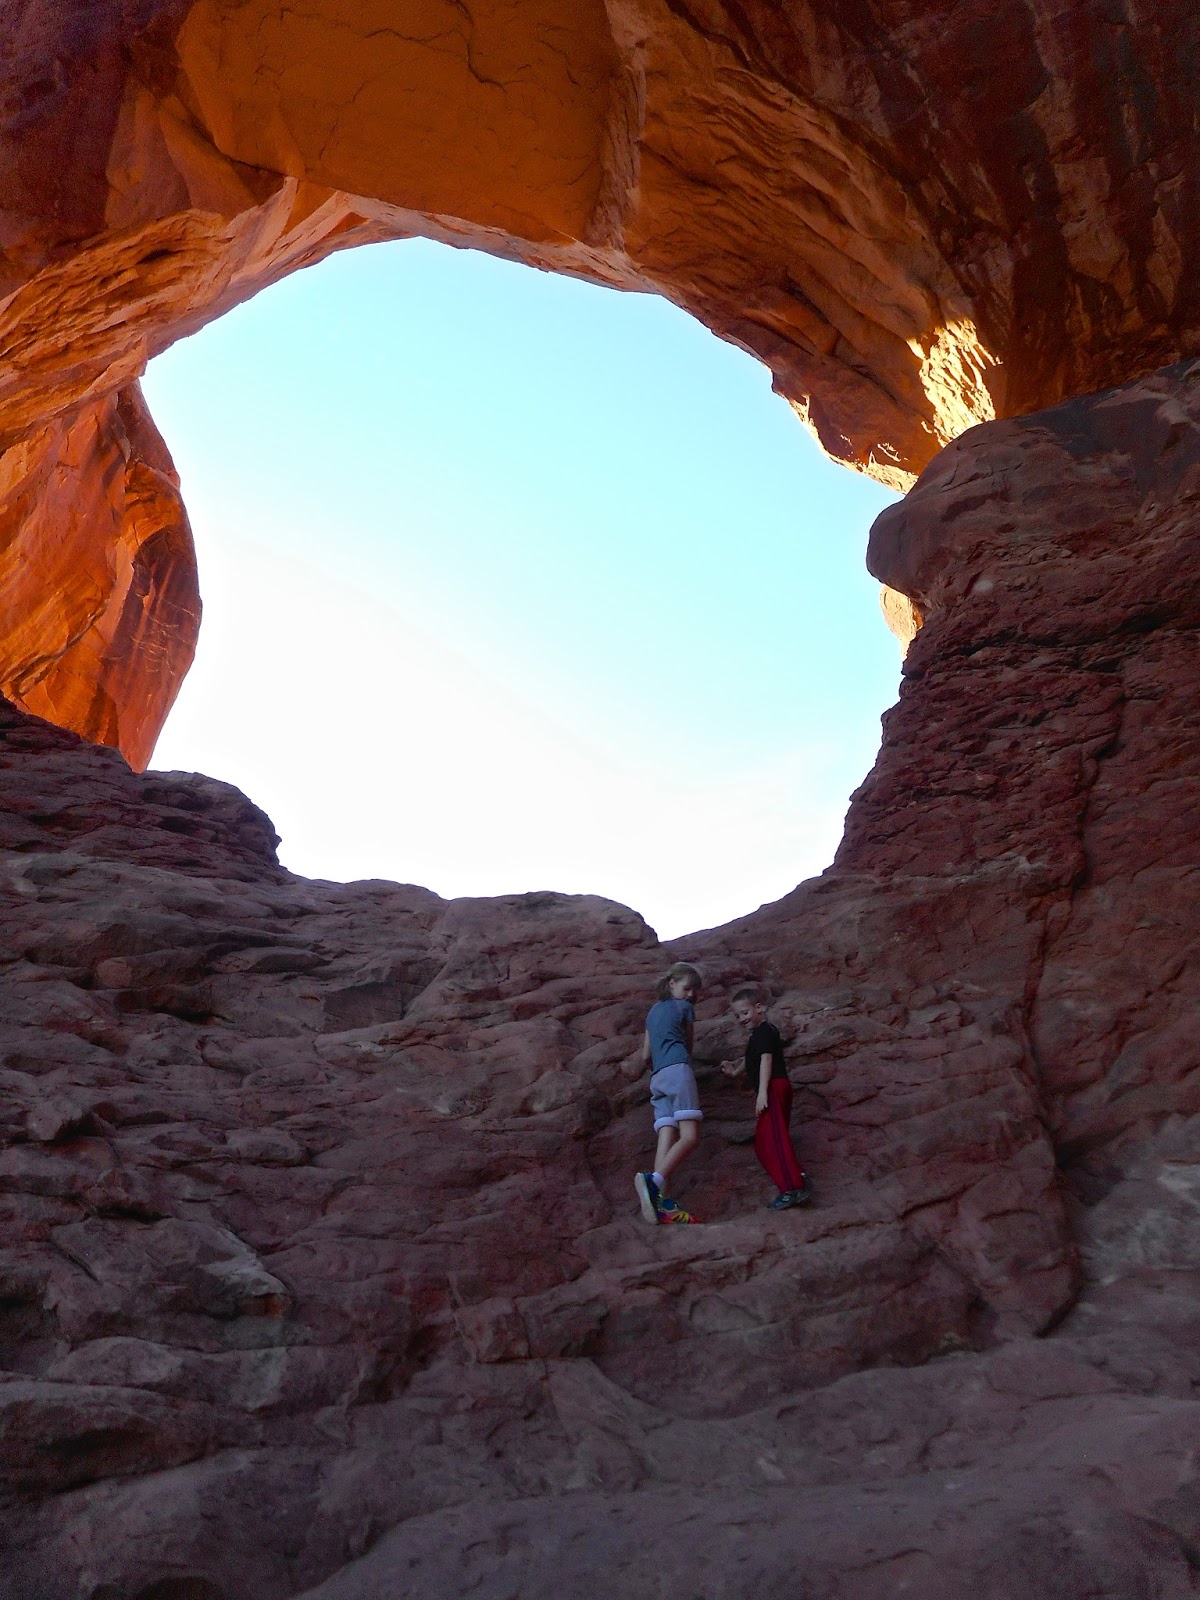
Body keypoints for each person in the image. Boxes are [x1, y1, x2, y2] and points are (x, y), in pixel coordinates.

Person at [721, 983, 810, 1210]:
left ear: (759, 1008)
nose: (741, 1018)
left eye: (745, 1012)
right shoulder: (760, 1034)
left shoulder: (764, 1031)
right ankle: (796, 1177)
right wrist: (735, 1071)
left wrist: (762, 1093)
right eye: (737, 1015)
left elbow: (766, 1060)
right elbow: (752, 1058)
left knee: (773, 1139)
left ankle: (793, 1188)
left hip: (773, 1087)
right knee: (764, 1141)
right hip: (775, 1087)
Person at [635, 961, 704, 1225]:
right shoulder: (684, 1008)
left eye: (695, 991)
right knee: (690, 1136)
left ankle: (661, 1203)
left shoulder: (652, 1012)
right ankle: (654, 1184)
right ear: (672, 984)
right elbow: (689, 1044)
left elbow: (644, 1055)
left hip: (657, 1077)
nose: (691, 995)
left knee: (667, 1132)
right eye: (688, 988)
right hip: (678, 1069)